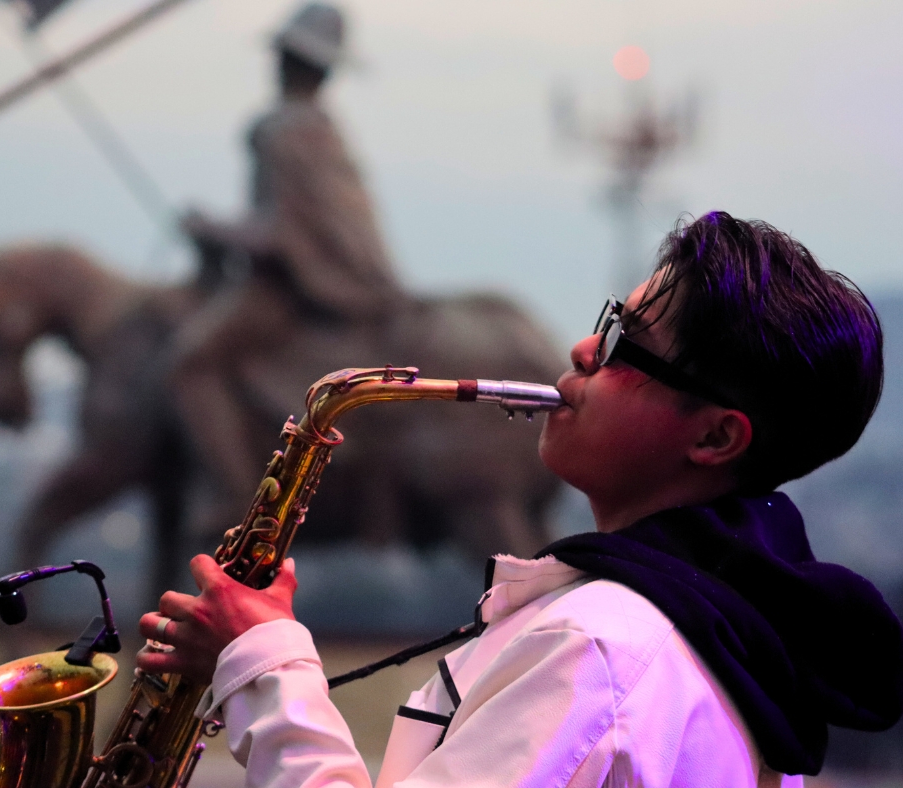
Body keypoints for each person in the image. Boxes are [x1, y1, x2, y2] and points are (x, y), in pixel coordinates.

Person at [138, 212, 903, 787]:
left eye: (621, 344)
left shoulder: (598, 649)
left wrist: (264, 660)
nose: (580, 350)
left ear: (713, 440)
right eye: (607, 323)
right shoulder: (716, 630)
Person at [170, 2, 401, 523]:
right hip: (325, 279)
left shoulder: (281, 129)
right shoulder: (322, 126)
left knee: (189, 362)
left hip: (292, 289)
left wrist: (208, 228)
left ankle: (232, 493)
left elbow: (280, 233)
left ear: (284, 60)